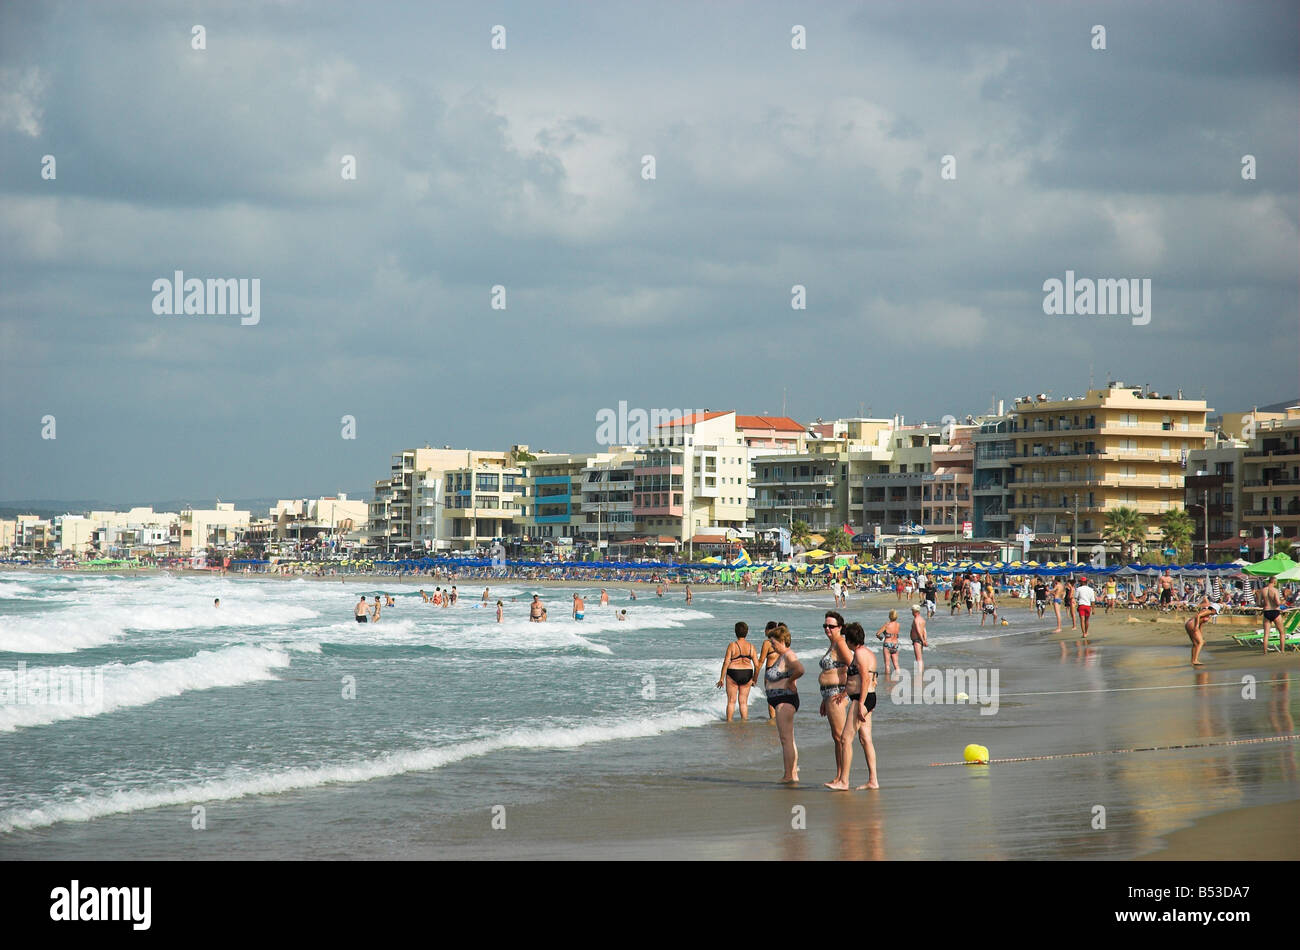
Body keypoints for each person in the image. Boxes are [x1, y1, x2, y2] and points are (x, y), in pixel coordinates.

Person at [826, 622, 879, 790]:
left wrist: (861, 704)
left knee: (845, 738)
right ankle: (873, 780)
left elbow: (865, 679)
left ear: (850, 640)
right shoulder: (866, 652)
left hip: (862, 699)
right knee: (865, 739)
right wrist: (845, 693)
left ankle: (844, 781)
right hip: (865, 697)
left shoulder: (861, 654)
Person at [762, 623, 803, 782]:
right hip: (780, 700)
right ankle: (791, 773)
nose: (771, 645)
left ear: (782, 641)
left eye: (773, 642)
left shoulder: (788, 655)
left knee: (786, 739)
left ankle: (789, 775)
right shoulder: (782, 656)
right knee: (788, 739)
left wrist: (790, 682)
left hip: (785, 700)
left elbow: (800, 669)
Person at [817, 611, 852, 787]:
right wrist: (824, 699)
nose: (828, 629)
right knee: (836, 737)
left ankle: (843, 780)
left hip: (836, 693)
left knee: (841, 737)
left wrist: (846, 692)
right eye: (825, 626)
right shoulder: (833, 644)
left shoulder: (840, 643)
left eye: (831, 626)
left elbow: (853, 665)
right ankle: (838, 776)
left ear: (840, 627)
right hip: (828, 694)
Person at [716, 621, 758, 721]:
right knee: (743, 702)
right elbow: (757, 665)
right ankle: (744, 723)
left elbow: (726, 662)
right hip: (747, 673)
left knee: (731, 701)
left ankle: (729, 723)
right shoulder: (751, 647)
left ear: (735, 632)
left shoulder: (732, 645)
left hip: (733, 672)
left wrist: (721, 678)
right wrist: (754, 679)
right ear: (747, 632)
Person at [754, 621, 780, 720]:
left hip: (770, 673)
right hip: (782, 673)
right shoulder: (782, 641)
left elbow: (761, 661)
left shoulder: (767, 643)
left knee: (771, 699)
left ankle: (773, 721)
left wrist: (755, 677)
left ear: (768, 630)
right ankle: (780, 720)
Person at [1185, 596, 1215, 666]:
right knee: (1200, 643)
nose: (1215, 614)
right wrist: (1196, 626)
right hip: (1192, 624)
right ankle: (1195, 660)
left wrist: (1201, 635)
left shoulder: (1208, 612)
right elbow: (1198, 616)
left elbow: (1201, 624)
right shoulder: (1208, 611)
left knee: (1196, 643)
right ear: (1214, 609)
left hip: (1189, 624)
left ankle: (1193, 660)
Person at [876, 609, 901, 677]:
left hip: (888, 643)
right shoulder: (898, 625)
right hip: (895, 644)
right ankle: (898, 677)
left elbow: (878, 633)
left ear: (889, 616)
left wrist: (880, 638)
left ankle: (887, 680)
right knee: (896, 664)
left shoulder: (887, 624)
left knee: (887, 664)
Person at [909, 604, 928, 670]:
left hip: (917, 640)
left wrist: (923, 640)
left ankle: (919, 675)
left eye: (912, 611)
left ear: (915, 611)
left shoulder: (916, 620)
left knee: (918, 659)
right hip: (920, 640)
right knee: (920, 659)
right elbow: (924, 630)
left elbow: (918, 631)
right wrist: (925, 640)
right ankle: (921, 673)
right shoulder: (922, 619)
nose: (911, 612)